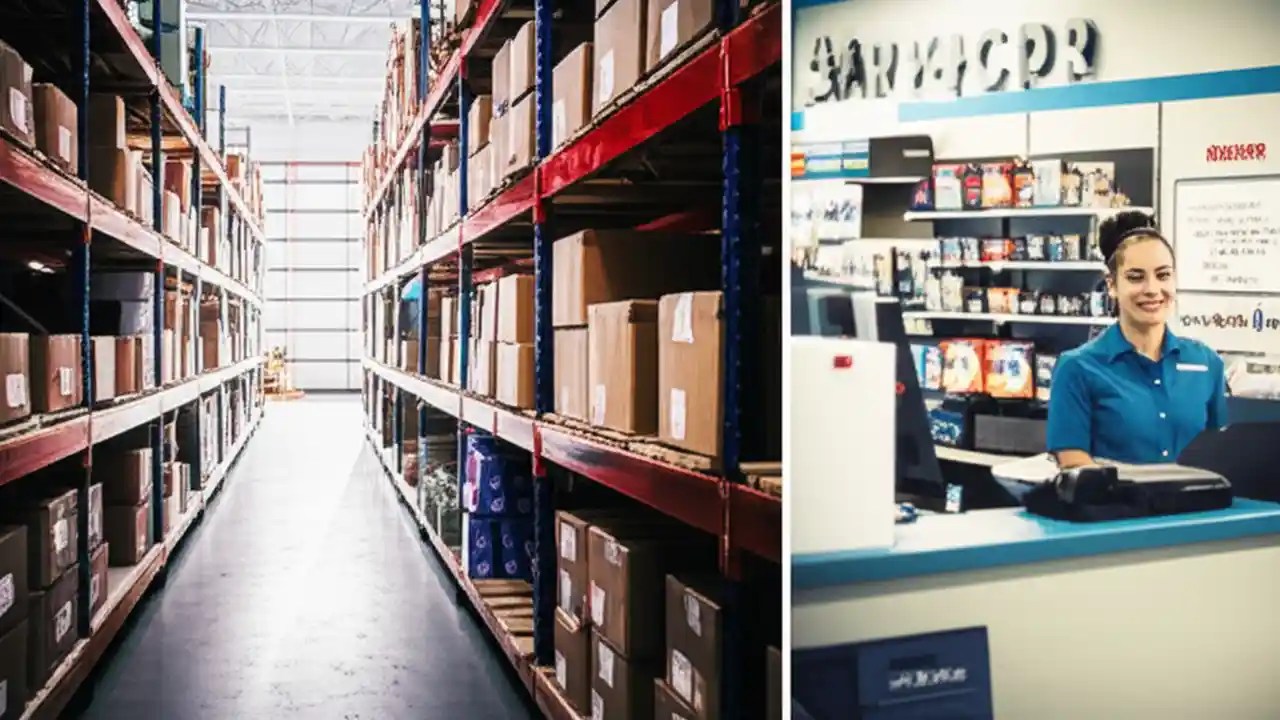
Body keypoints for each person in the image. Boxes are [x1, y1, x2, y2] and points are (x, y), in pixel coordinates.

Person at [1046, 211, 1228, 467]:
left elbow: (1221, 453)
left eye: (1163, 275)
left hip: (1198, 507)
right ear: (1112, 285)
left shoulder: (1206, 363)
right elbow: (1073, 462)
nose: (1152, 289)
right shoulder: (1077, 369)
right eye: (1136, 277)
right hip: (1118, 506)